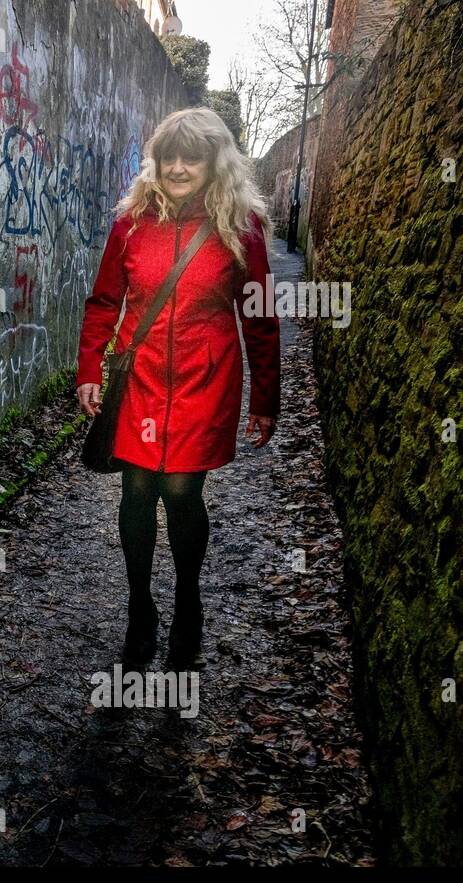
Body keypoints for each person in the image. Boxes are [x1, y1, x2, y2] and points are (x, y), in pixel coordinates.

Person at [75, 107, 281, 671]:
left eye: (192, 157)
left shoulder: (239, 226)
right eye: (170, 157)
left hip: (204, 379)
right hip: (141, 378)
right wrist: (90, 369)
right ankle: (141, 609)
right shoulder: (132, 223)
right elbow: (103, 303)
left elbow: (259, 317)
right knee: (137, 491)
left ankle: (187, 601)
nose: (179, 167)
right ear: (156, 161)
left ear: (215, 163)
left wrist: (266, 397)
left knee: (184, 493)